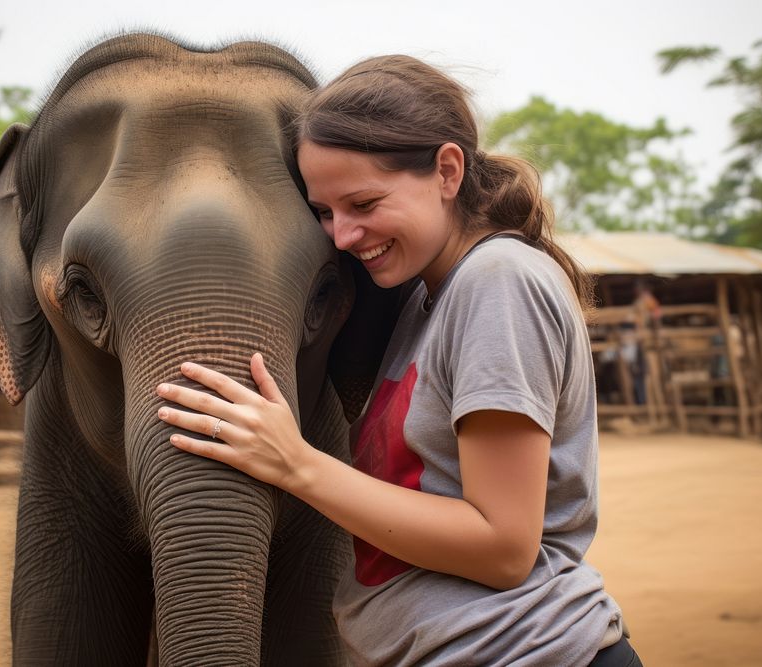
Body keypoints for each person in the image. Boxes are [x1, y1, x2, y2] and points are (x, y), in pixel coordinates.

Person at [155, 55, 641, 666]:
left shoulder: (499, 281)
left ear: (446, 169)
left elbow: (503, 547)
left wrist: (296, 463)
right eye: (325, 213)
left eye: (363, 203)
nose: (342, 236)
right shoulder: (421, 300)